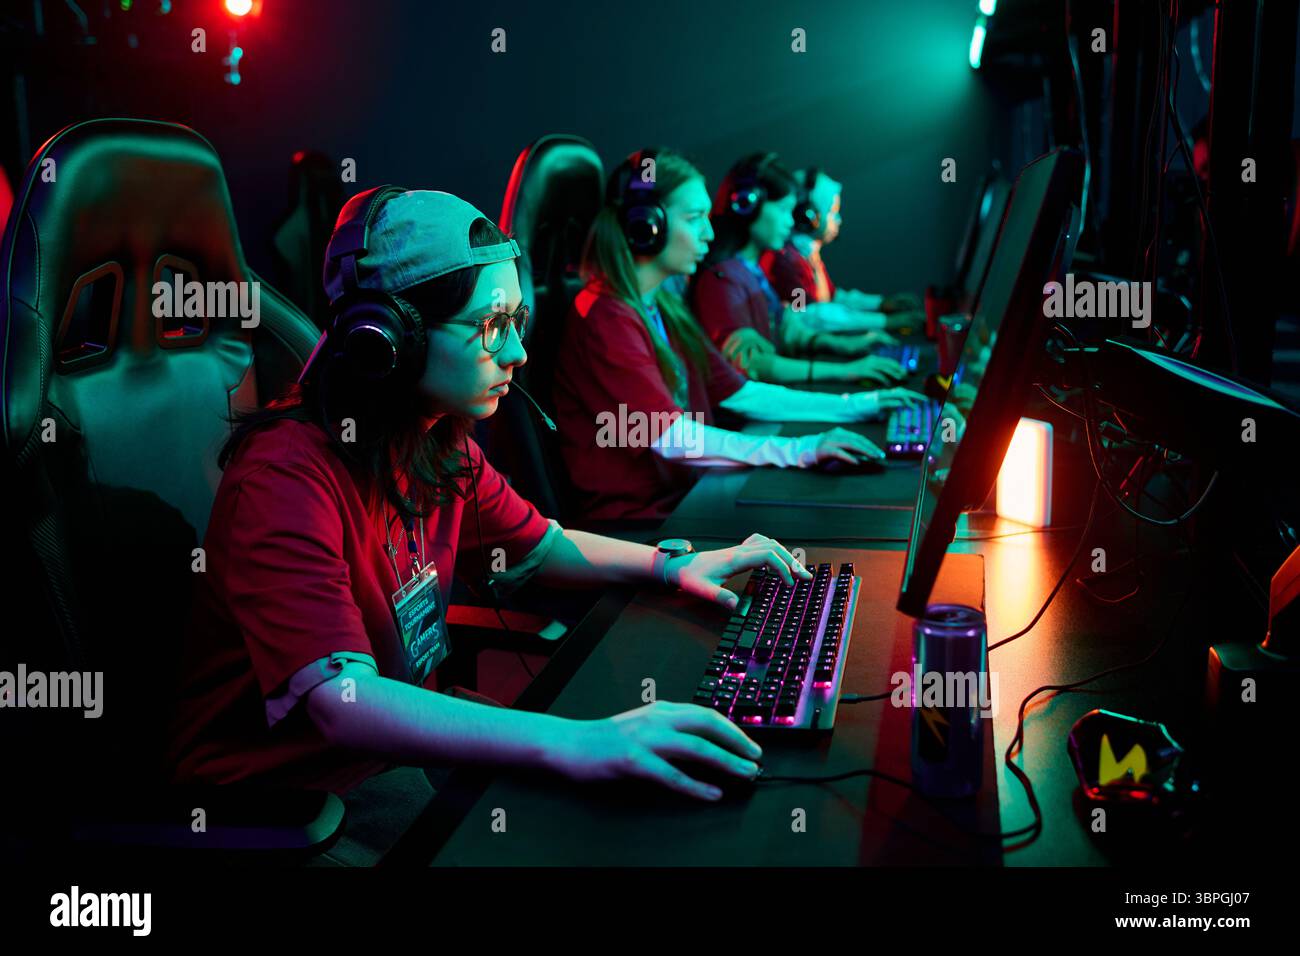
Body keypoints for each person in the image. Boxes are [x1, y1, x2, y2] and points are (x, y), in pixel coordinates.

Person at [168, 186, 821, 804]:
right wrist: (579, 741)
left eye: (517, 321)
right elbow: (343, 703)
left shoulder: (435, 441)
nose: (516, 352)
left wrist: (669, 565)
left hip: (391, 765)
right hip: (296, 805)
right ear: (390, 339)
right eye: (490, 324)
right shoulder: (284, 476)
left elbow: (544, 545)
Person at [552, 149, 925, 522]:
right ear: (646, 225)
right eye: (695, 218)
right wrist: (800, 450)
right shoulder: (606, 317)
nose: (709, 232)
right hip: (646, 524)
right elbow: (670, 437)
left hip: (689, 495)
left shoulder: (663, 305)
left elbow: (739, 391)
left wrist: (861, 405)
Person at [690, 153, 908, 384]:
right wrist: (845, 368)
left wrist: (843, 345)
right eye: (783, 209)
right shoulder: (729, 276)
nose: (791, 221)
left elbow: (785, 325)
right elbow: (759, 358)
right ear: (747, 204)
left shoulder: (754, 268)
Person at [762, 167, 925, 344]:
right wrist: (887, 322)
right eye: (832, 212)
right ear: (807, 215)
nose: (838, 220)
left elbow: (832, 297)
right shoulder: (786, 262)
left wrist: (881, 304)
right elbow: (808, 314)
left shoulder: (807, 256)